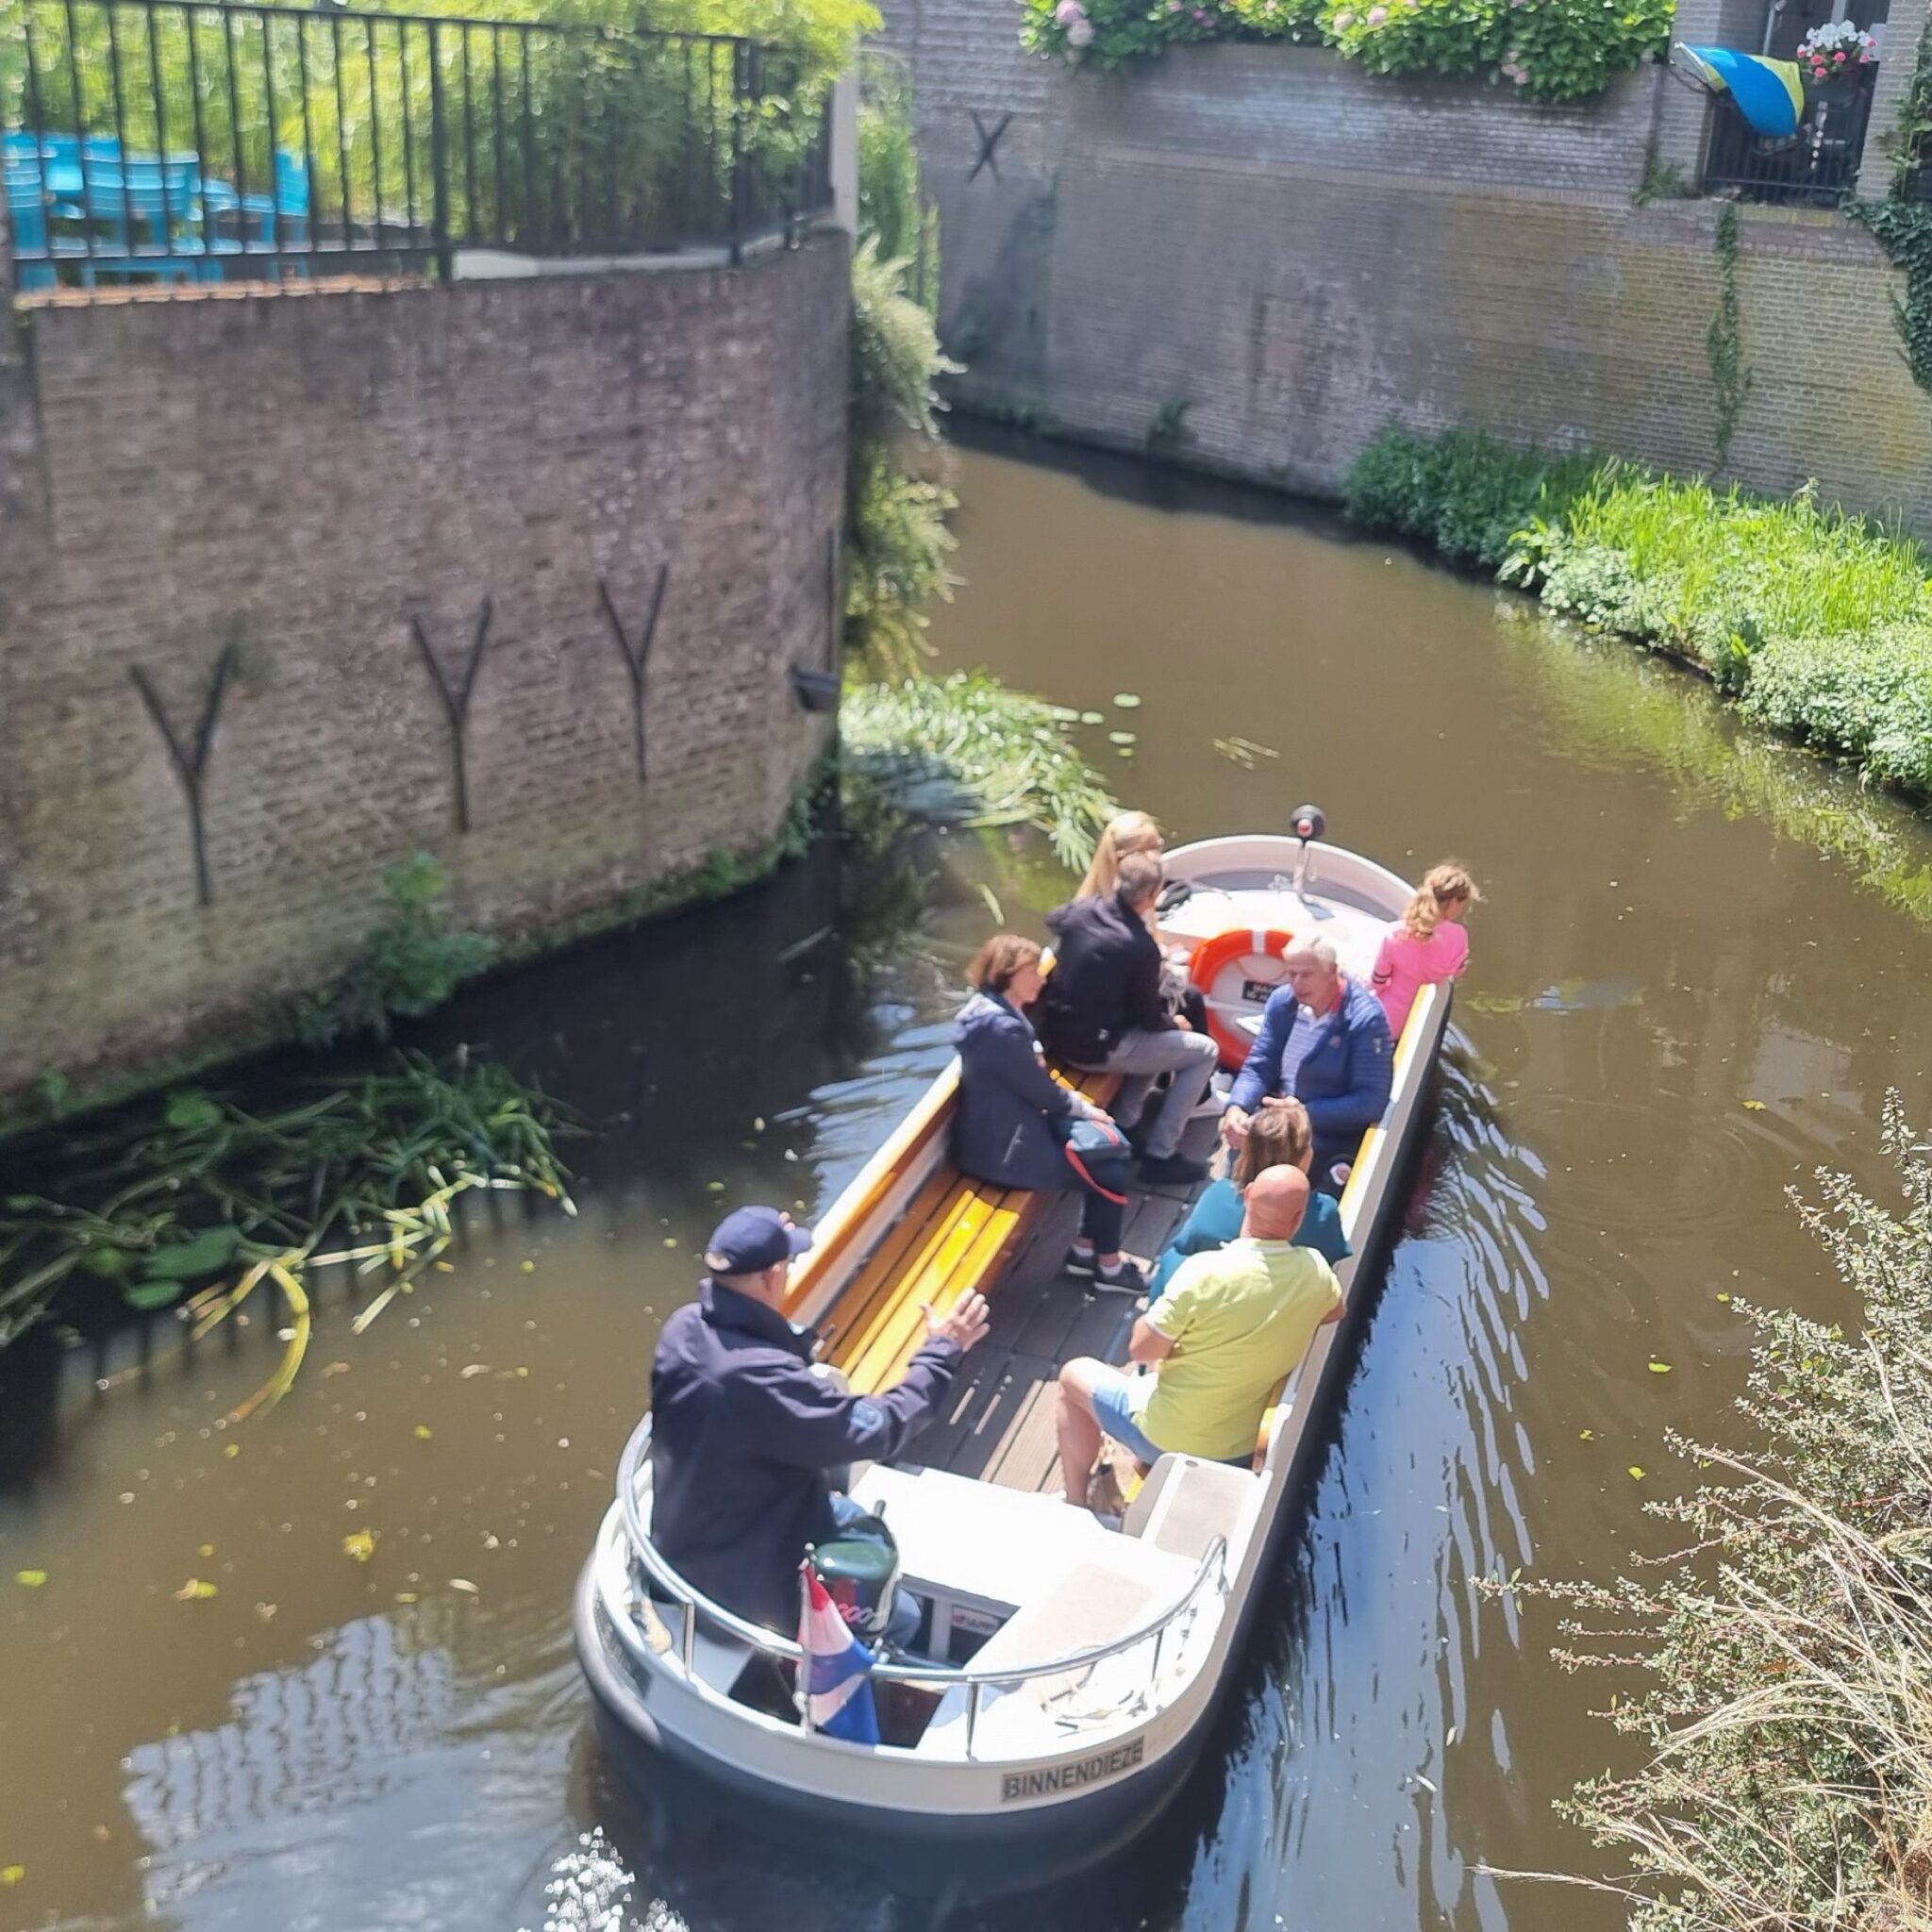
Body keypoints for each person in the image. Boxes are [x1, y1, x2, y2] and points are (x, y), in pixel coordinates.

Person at [649, 1204, 991, 1639]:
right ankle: (849, 1682)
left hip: (686, 1541)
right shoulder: (763, 1379)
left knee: (846, 1510)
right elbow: (882, 1426)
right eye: (788, 1264)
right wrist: (941, 1352)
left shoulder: (683, 1328)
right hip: (741, 1585)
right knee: (903, 1617)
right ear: (773, 1275)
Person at [1057, 1165, 1343, 1497]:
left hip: (1166, 1439)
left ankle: (1075, 1501)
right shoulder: (1315, 1271)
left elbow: (1142, 1350)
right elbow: (1335, 1312)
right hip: (1241, 1448)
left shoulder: (1205, 1272)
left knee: (1072, 1376)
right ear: (1298, 1219)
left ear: (1247, 1196)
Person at [956, 934, 1145, 1293]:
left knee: (1105, 1157)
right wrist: (1089, 1111)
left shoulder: (990, 1010)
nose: (1042, 980)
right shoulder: (1002, 1029)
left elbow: (1025, 1070)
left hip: (996, 1132)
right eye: (1033, 973)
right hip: (1004, 1151)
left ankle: (1086, 1252)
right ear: (1009, 974)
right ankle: (1107, 1267)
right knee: (1108, 1166)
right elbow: (1043, 1091)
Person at [1038, 850, 1221, 1187]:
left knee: (1159, 1040)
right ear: (1153, 895)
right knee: (1203, 1051)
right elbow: (1149, 1018)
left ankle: (1126, 1123)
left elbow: (1053, 920)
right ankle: (1160, 1156)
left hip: (1061, 1032)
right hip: (1095, 1050)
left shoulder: (1083, 910)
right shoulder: (1140, 947)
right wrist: (1175, 1025)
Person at [1223, 935, 1392, 1194]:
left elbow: (1371, 1100)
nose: (1297, 984)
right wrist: (1237, 1106)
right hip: (1276, 1114)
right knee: (1238, 1168)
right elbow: (1260, 1065)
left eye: (1306, 975)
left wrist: (1304, 1113)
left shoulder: (1365, 1020)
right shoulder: (1282, 1003)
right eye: (1291, 974)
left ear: (1333, 971)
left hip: (1323, 1131)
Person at [1146, 1096, 1349, 1303]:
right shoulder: (1323, 1212)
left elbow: (1180, 1252)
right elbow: (1333, 1260)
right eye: (1308, 1144)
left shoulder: (1217, 1196)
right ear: (1301, 1156)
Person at [1372, 861, 1481, 1041]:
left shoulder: (1396, 933)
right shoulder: (1459, 936)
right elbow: (1458, 971)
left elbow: (1377, 982)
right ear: (1454, 902)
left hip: (1386, 1020)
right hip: (1420, 1023)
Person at [1071, 810, 1163, 907]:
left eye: (1158, 846)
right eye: (1150, 852)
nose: (1157, 858)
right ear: (1119, 860)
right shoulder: (1099, 912)